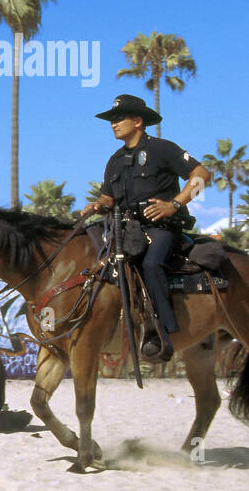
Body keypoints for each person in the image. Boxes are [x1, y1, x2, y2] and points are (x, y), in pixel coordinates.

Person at [80, 94, 212, 362]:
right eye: (112, 120)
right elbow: (108, 198)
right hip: (126, 230)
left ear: (138, 121)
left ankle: (161, 330)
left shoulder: (163, 149)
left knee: (151, 264)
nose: (113, 124)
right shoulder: (115, 160)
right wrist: (96, 206)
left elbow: (202, 175)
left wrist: (173, 204)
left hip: (161, 227)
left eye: (118, 119)